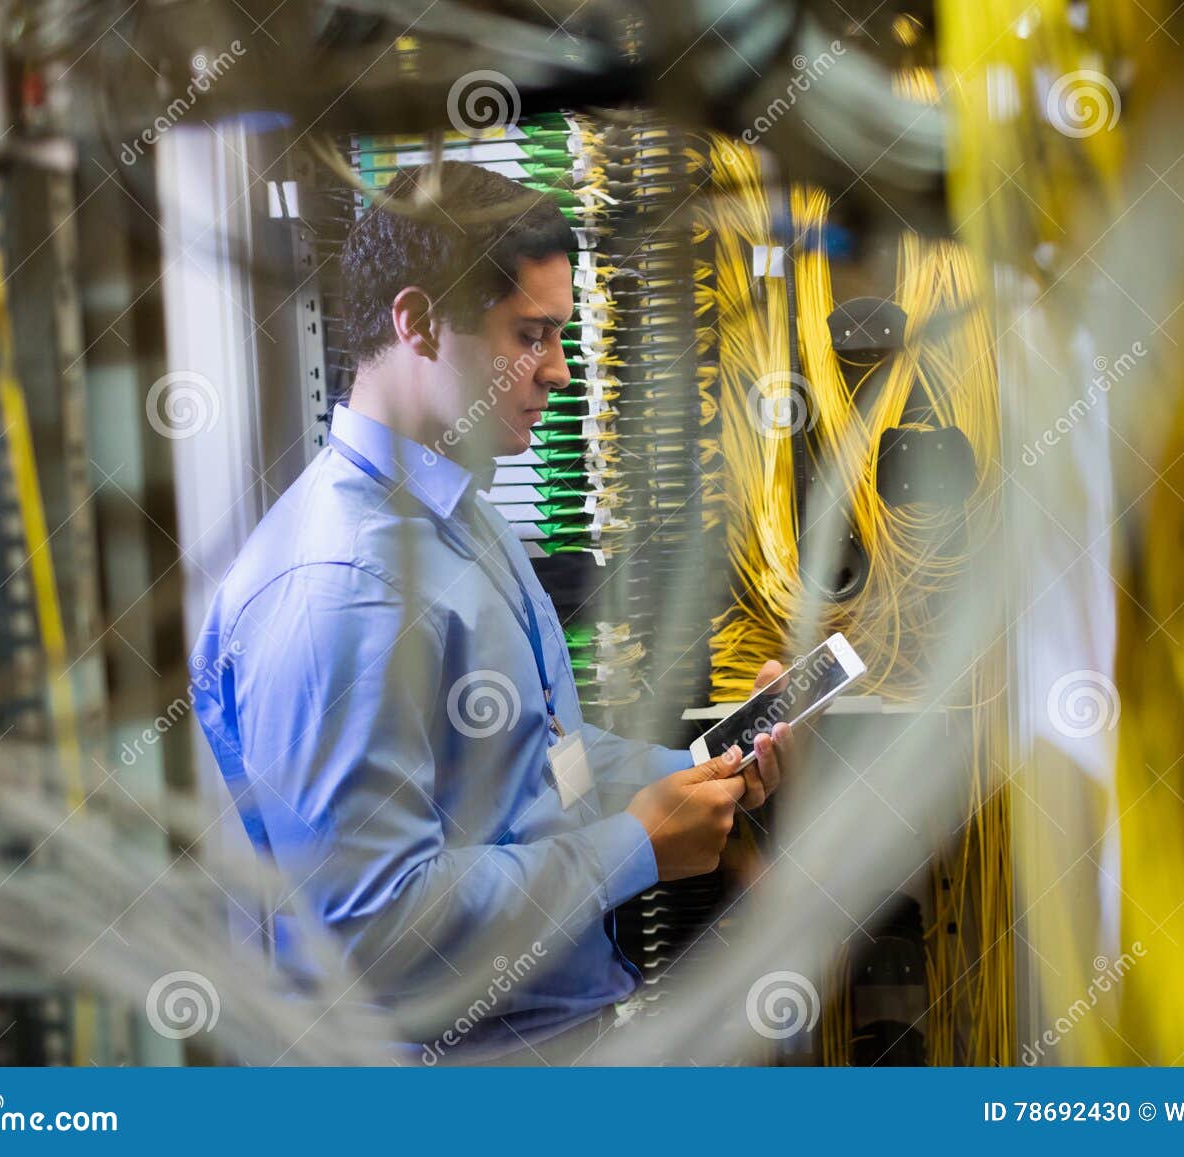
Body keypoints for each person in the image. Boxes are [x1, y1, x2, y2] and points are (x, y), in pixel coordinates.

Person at [190, 161, 792, 1062]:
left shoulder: (459, 515)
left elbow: (543, 770)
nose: (558, 370)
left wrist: (711, 766)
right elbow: (375, 930)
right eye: (531, 334)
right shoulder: (342, 581)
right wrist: (633, 847)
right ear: (419, 322)